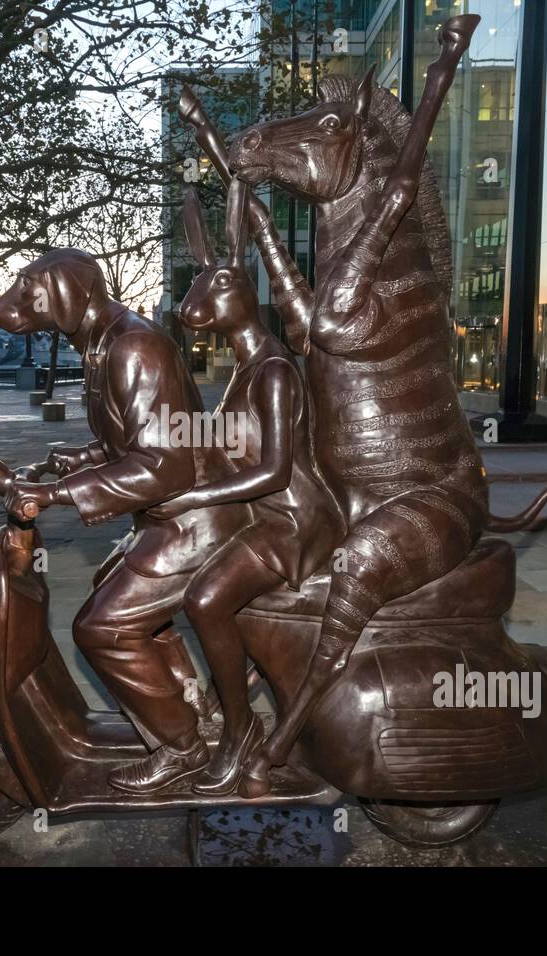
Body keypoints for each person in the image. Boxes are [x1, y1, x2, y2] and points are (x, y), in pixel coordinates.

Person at [0, 248, 250, 794]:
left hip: (195, 519)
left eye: (26, 290)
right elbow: (134, 439)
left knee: (99, 628)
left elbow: (163, 465)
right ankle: (186, 699)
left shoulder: (132, 347)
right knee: (108, 585)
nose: (8, 304)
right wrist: (73, 461)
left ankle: (182, 747)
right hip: (170, 515)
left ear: (62, 296)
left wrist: (56, 494)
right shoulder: (105, 342)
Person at [150, 184, 344, 794]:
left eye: (220, 288)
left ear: (243, 297)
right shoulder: (242, 371)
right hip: (261, 517)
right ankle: (227, 694)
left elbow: (277, 472)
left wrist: (193, 499)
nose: (201, 305)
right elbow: (216, 443)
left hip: (293, 523)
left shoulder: (276, 371)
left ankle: (240, 734)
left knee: (204, 599)